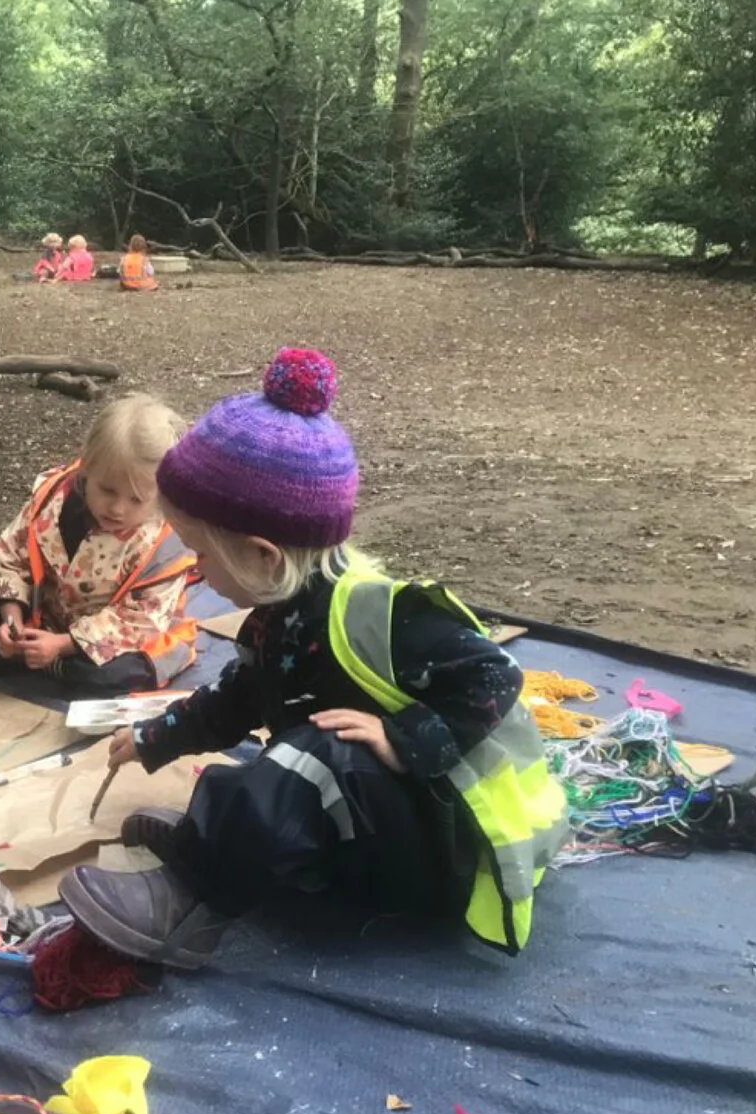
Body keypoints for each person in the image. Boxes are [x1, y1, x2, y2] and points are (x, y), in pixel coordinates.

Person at [60, 348, 565, 972]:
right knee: (289, 760)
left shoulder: (381, 615)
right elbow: (240, 696)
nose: (196, 569)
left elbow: (497, 673)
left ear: (264, 556)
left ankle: (191, 897)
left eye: (203, 554)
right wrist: (156, 737)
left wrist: (406, 737)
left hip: (450, 857)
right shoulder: (284, 619)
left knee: (313, 754)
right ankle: (210, 844)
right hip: (373, 837)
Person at [0, 392, 198, 694]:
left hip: (114, 637)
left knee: (113, 675)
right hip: (49, 616)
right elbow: (12, 555)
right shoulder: (52, 499)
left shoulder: (165, 543)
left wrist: (64, 645)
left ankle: (45, 663)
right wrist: (12, 621)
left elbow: (139, 621)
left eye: (136, 500)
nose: (117, 508)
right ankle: (13, 644)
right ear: (86, 467)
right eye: (107, 490)